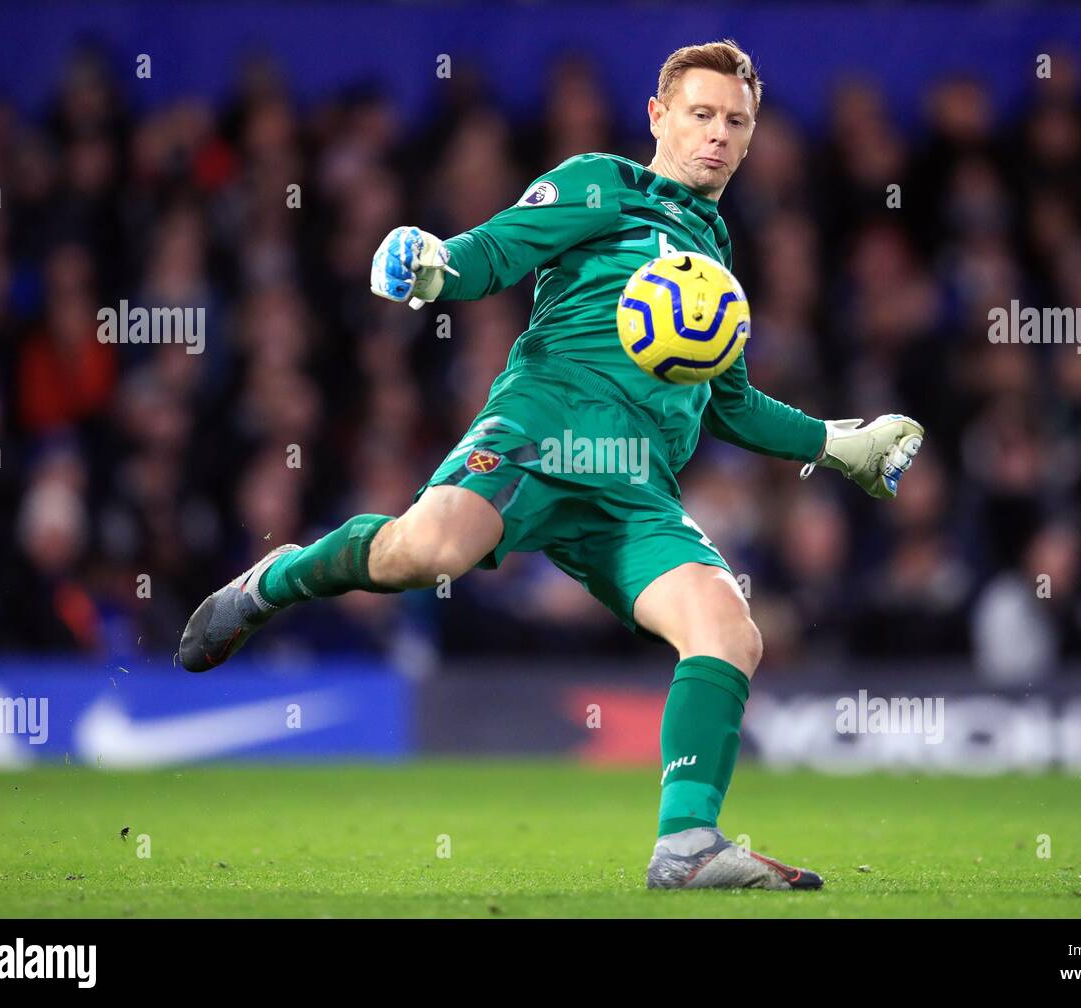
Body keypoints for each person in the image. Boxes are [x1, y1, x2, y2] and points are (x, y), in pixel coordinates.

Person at [180, 40, 924, 890]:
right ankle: (276, 581)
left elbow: (729, 403)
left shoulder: (716, 261)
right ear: (658, 116)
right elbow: (495, 253)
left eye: (736, 121)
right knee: (428, 553)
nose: (718, 135)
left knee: (728, 630)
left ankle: (687, 847)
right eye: (702, 114)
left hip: (635, 487)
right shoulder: (602, 184)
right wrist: (433, 266)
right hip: (543, 431)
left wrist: (838, 443)